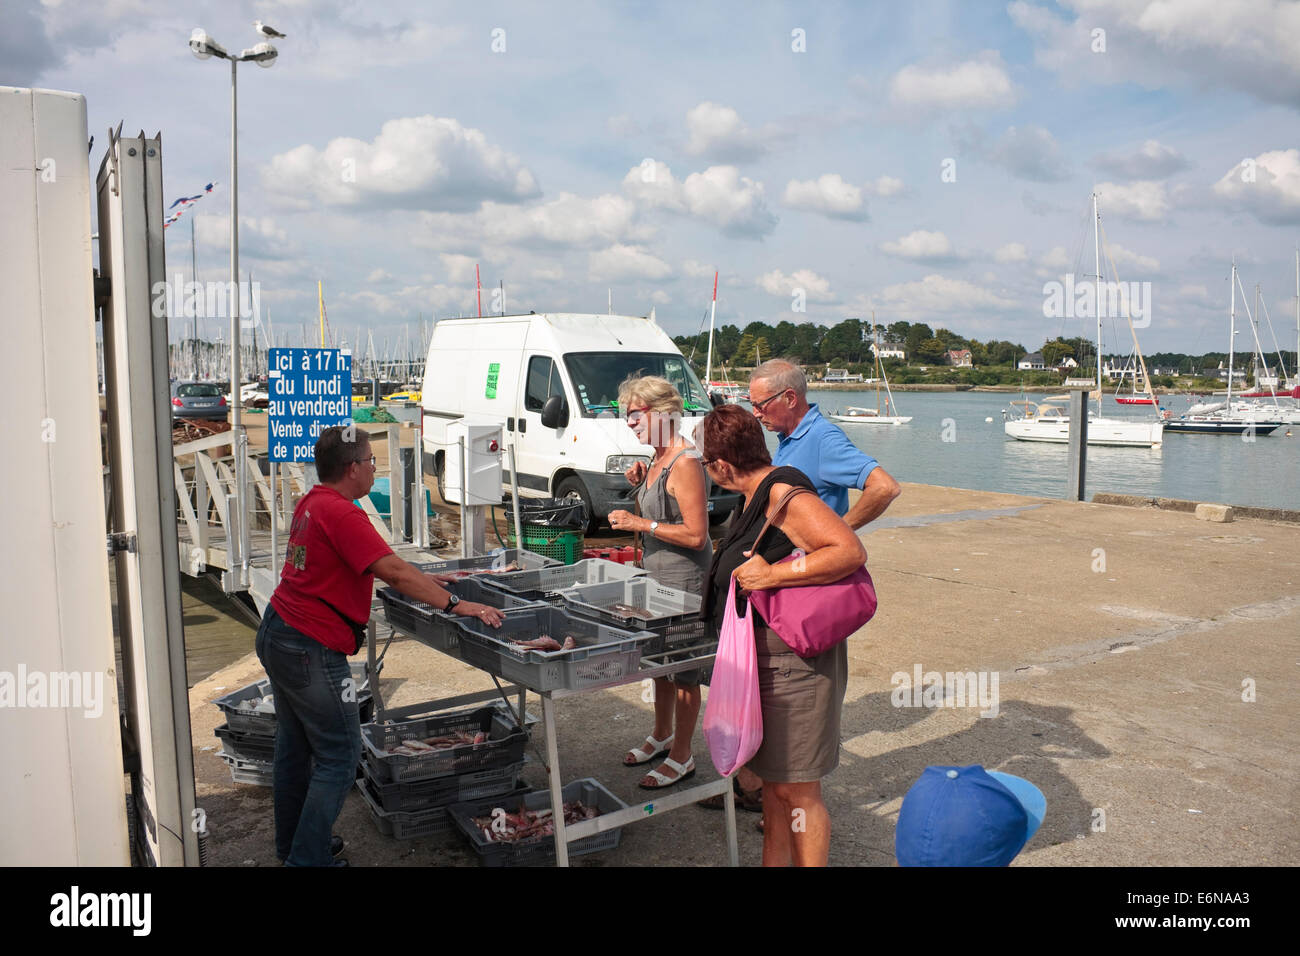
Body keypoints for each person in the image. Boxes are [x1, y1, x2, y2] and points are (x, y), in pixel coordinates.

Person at [257, 425, 505, 866]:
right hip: (309, 646)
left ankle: (295, 847)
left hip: (279, 631)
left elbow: (380, 562)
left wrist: (427, 580)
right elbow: (391, 572)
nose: (375, 468)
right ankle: (307, 860)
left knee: (294, 751)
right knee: (339, 755)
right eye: (372, 461)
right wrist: (455, 602)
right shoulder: (343, 513)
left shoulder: (314, 503)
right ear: (353, 468)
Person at [721, 358, 901, 809]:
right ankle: (758, 791)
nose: (755, 412)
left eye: (760, 404)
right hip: (776, 593)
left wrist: (840, 529)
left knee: (799, 710)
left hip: (803, 594)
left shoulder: (820, 439)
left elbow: (883, 487)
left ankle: (782, 806)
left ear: (789, 398)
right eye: (750, 403)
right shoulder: (784, 441)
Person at [696, 405, 867, 866]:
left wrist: (773, 576)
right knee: (775, 785)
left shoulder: (783, 494)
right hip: (765, 659)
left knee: (798, 789)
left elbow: (848, 551)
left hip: (797, 664)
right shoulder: (756, 495)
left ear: (722, 466)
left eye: (705, 463)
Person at [606, 375, 711, 789]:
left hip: (685, 579)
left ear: (662, 413)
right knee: (659, 664)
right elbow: (662, 504)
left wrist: (639, 522)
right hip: (658, 575)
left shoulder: (685, 462)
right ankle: (662, 735)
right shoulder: (657, 457)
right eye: (624, 415)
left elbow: (697, 535)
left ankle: (683, 755)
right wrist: (642, 481)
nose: (628, 422)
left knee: (684, 671)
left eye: (634, 414)